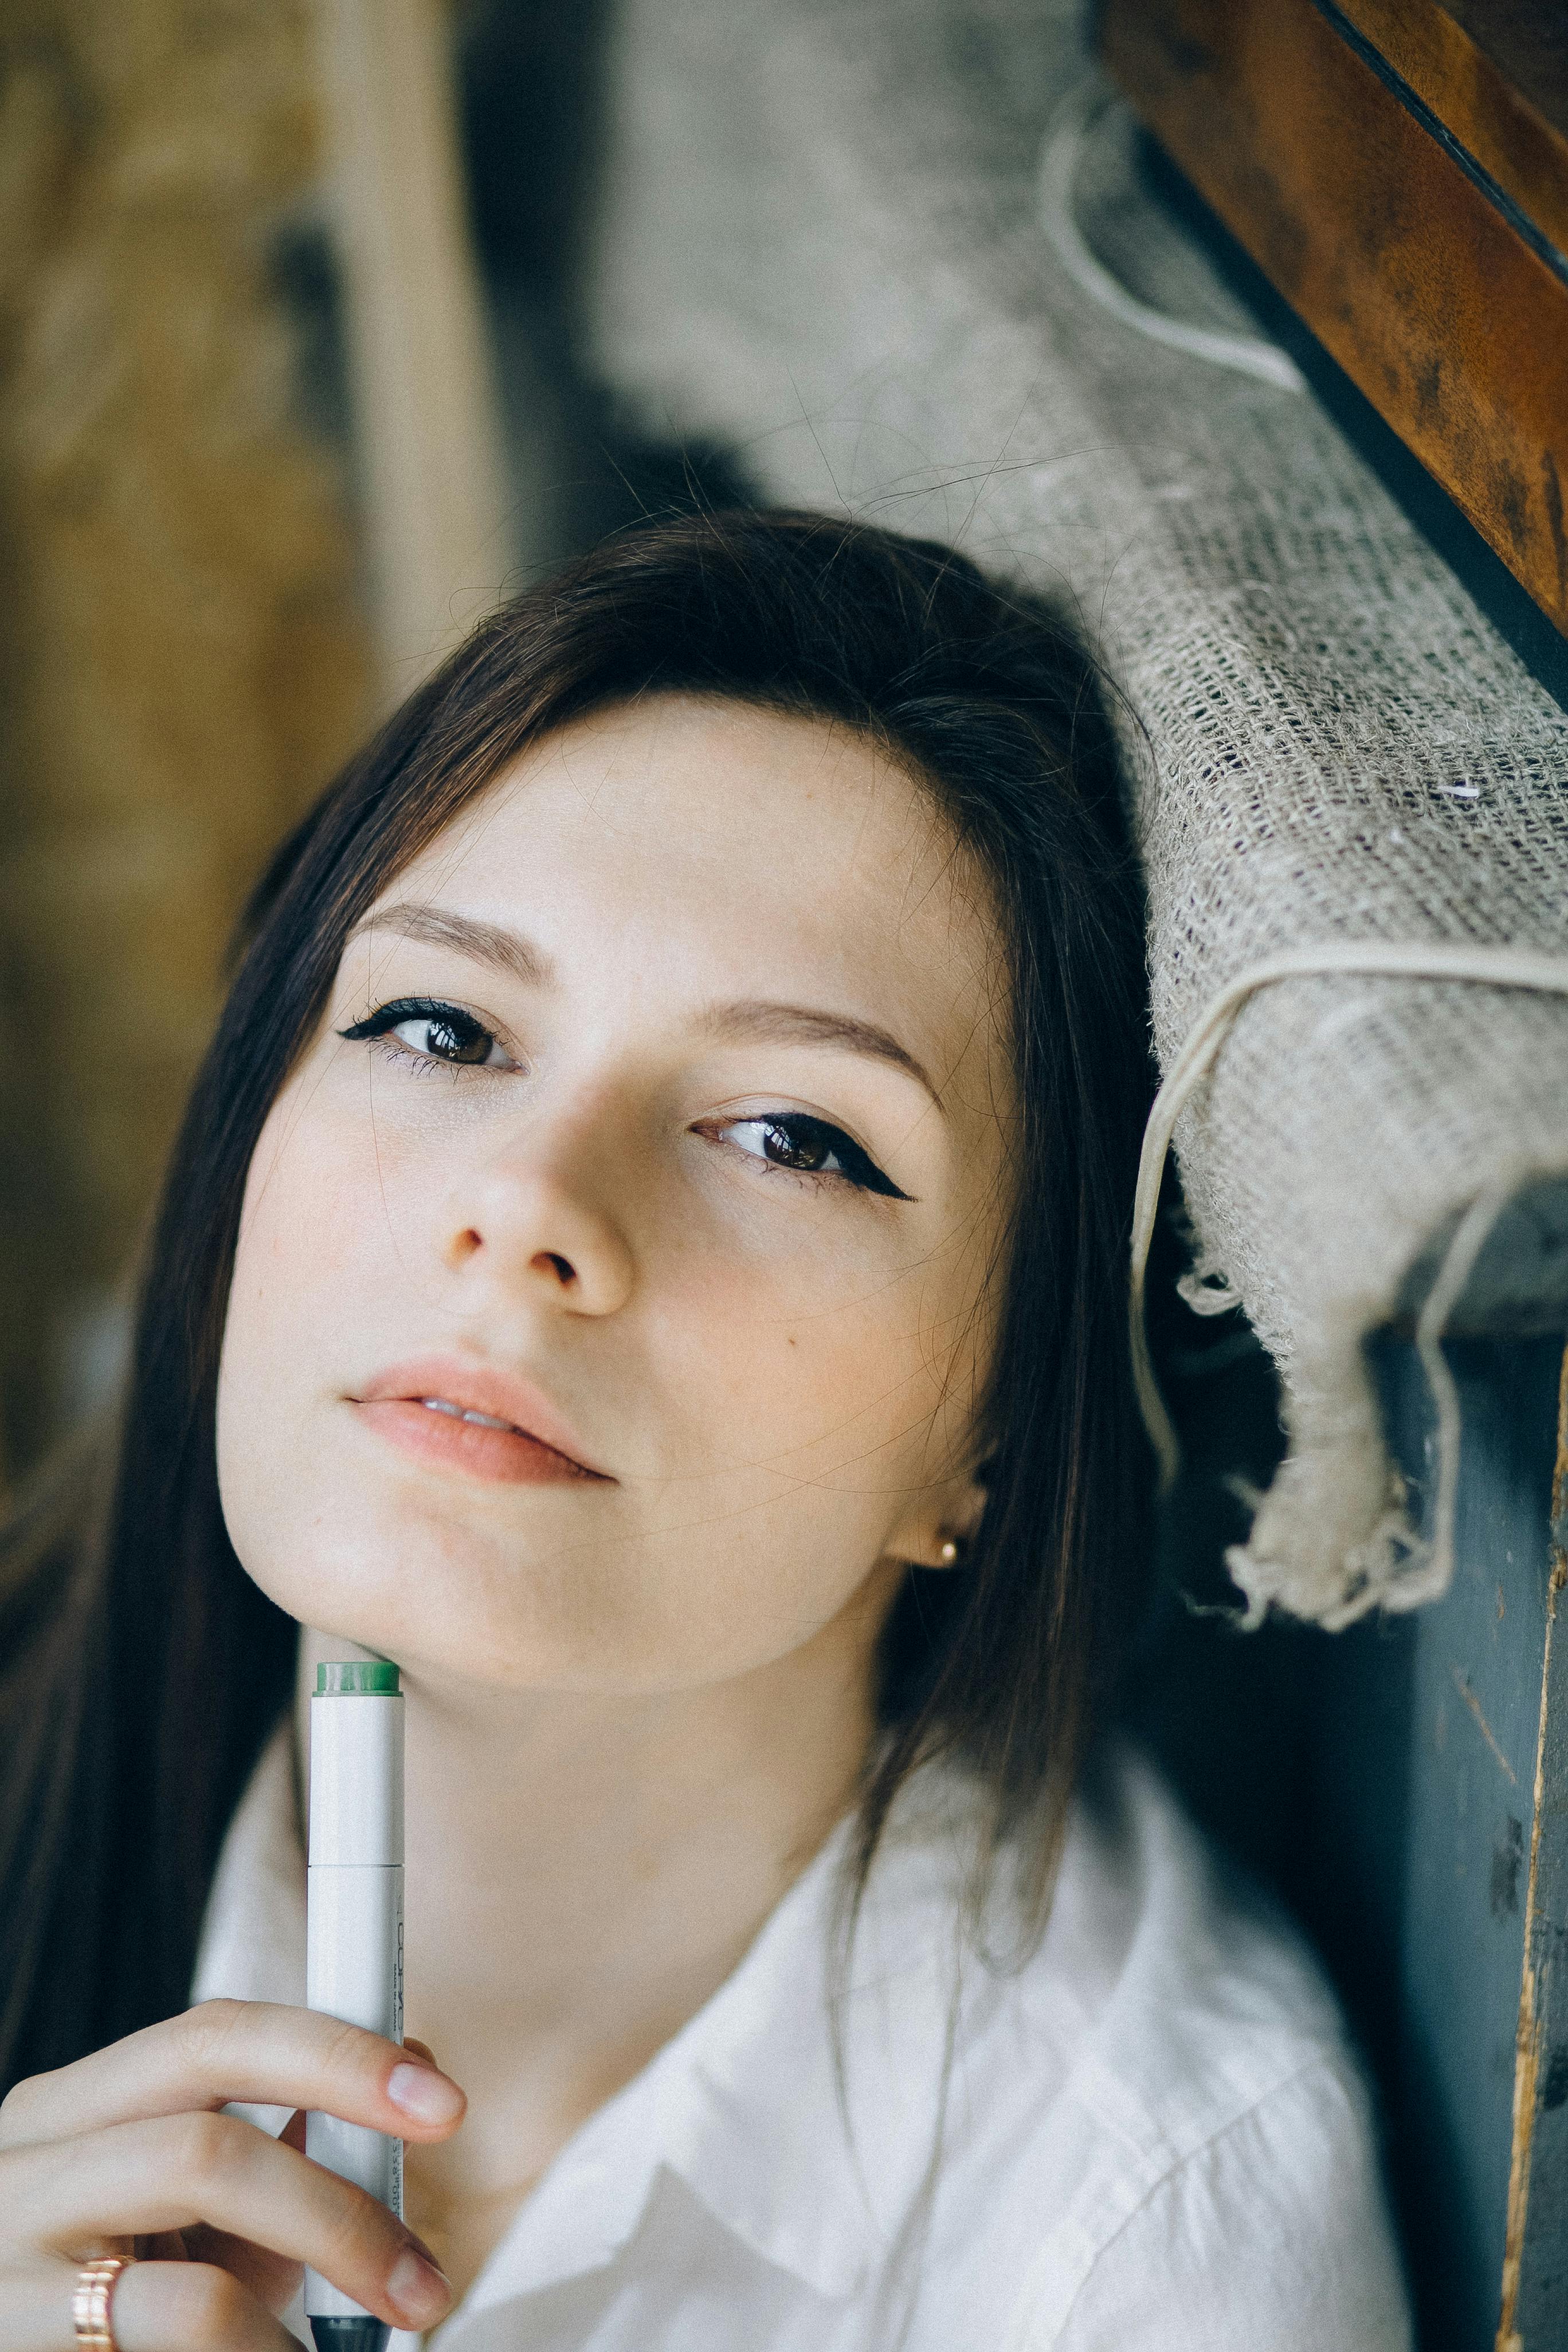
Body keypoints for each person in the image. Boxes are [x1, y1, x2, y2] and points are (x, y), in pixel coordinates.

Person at [0, 511, 1409, 2350]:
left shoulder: (1142, 2223)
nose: (527, 1202)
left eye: (792, 1138)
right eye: (437, 1026)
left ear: (992, 1427)